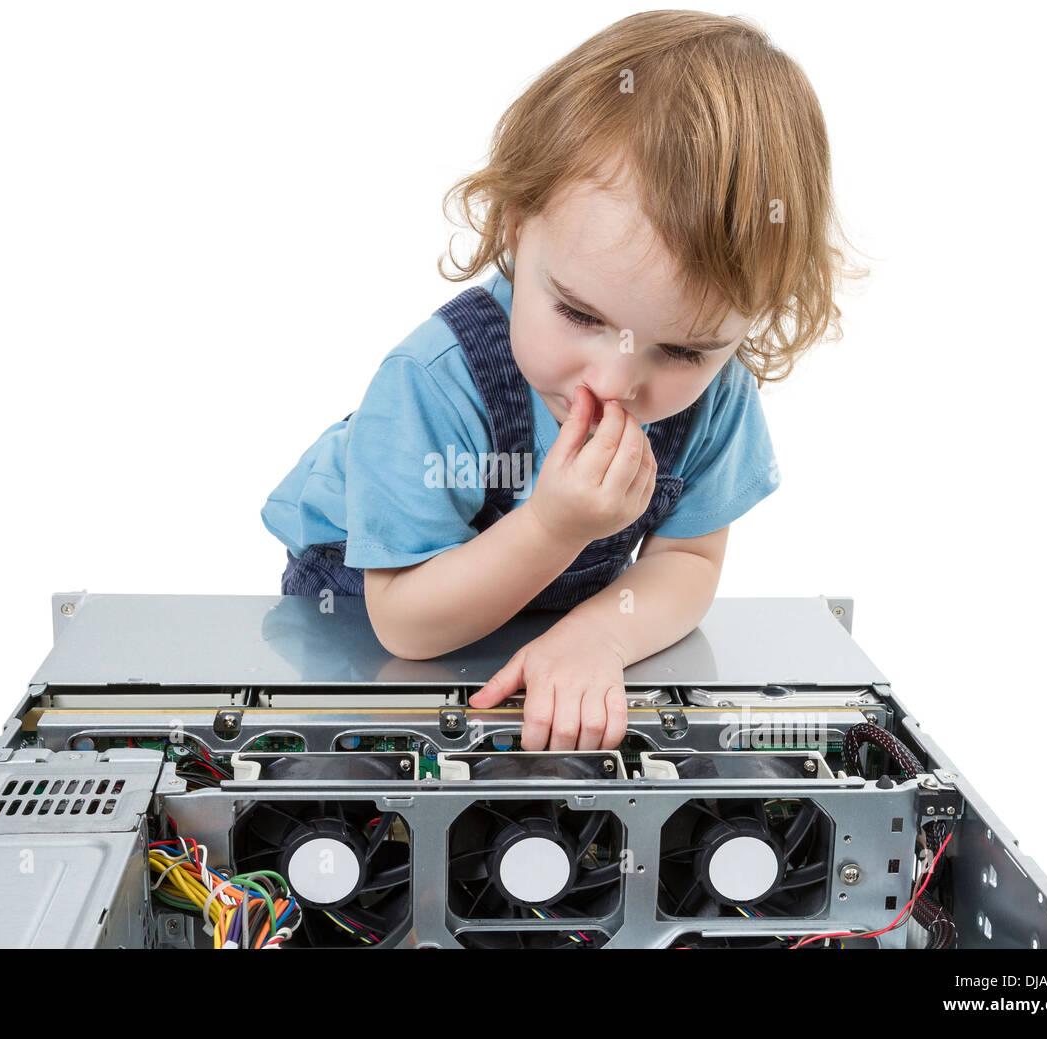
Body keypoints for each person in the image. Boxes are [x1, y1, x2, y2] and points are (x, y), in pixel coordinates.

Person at [261, 10, 867, 752]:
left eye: (680, 351)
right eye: (580, 314)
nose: (613, 383)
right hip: (371, 619)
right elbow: (406, 623)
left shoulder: (716, 399)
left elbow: (688, 561)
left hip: (545, 623)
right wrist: (554, 526)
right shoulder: (430, 382)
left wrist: (595, 639)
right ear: (517, 228)